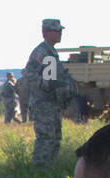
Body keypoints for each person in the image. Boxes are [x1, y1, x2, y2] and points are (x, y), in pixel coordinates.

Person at [23, 19, 76, 167]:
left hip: (53, 104)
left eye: (60, 31)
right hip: (43, 104)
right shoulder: (41, 52)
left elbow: (58, 75)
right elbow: (30, 74)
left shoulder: (51, 52)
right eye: (56, 31)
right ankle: (39, 172)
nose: (60, 34)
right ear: (45, 32)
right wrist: (47, 85)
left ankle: (48, 171)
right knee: (46, 139)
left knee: (55, 138)